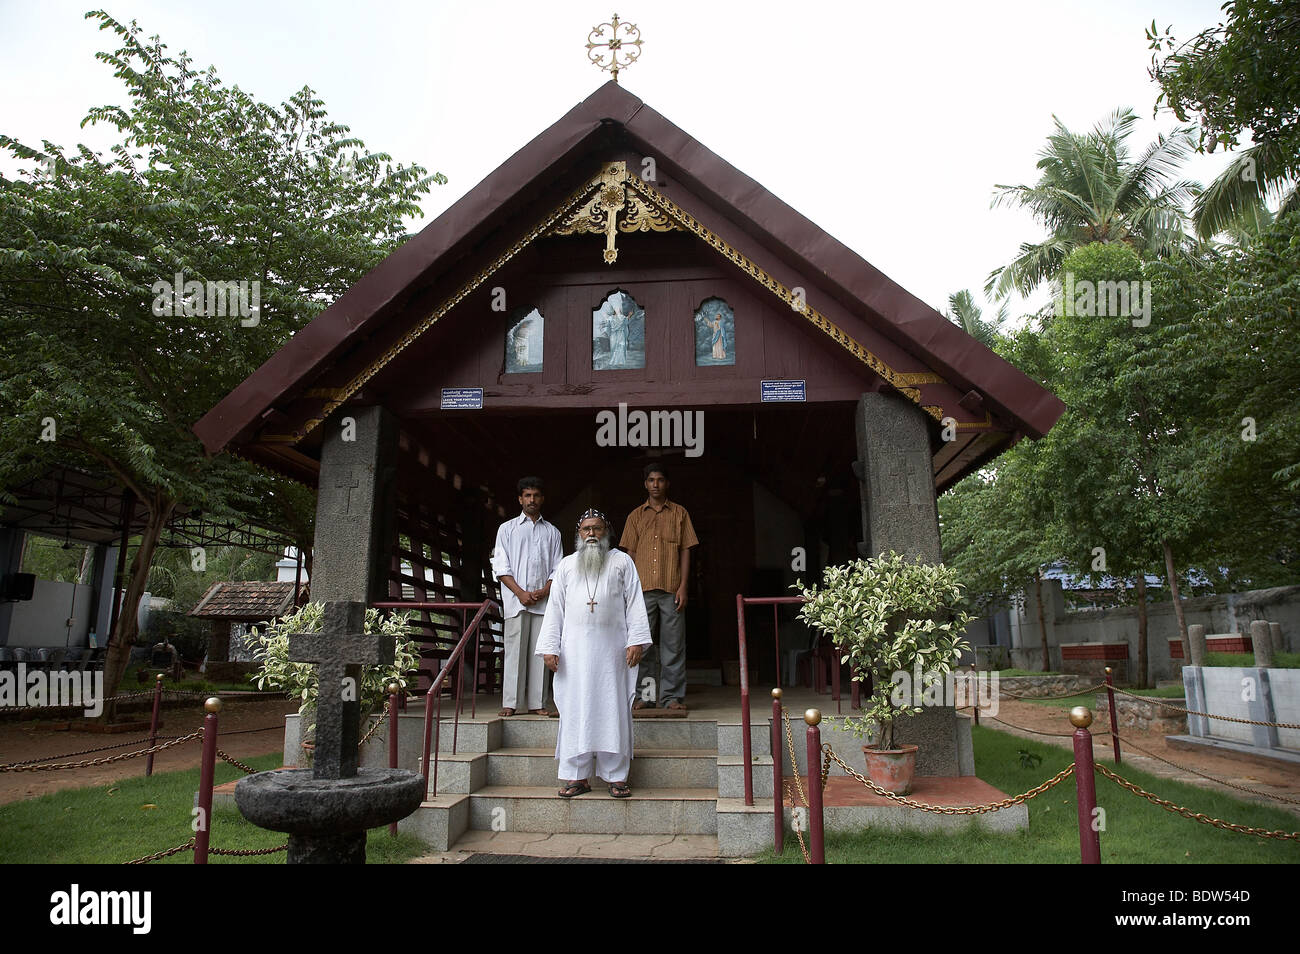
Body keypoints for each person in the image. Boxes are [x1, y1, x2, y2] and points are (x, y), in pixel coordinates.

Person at [537, 509, 651, 798]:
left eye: (597, 529)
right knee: (576, 712)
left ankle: (616, 776)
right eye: (586, 529)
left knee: (612, 710)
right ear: (578, 534)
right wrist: (550, 646)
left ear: (606, 532)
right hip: (574, 654)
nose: (591, 534)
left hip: (613, 653)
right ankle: (577, 777)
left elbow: (635, 602)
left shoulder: (622, 561)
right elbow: (555, 610)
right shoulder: (565, 566)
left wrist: (637, 640)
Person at [620, 462, 699, 711]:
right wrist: (627, 592)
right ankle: (646, 696)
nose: (656, 485)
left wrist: (684, 586)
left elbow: (686, 551)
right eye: (651, 480)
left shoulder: (679, 513)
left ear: (667, 483)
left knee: (673, 646)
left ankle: (671, 698)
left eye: (660, 480)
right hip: (641, 591)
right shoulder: (635, 516)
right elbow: (629, 556)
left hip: (671, 589)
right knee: (644, 646)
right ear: (645, 484)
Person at [490, 477, 563, 717]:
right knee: (514, 652)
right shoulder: (507, 529)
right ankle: (511, 703)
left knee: (540, 652)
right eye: (527, 495)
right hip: (515, 601)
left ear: (542, 499)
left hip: (543, 603)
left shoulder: (552, 532)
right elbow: (501, 567)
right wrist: (520, 593)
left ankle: (537, 703)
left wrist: (544, 590)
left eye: (536, 495)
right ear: (520, 499)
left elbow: (558, 568)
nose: (532, 500)